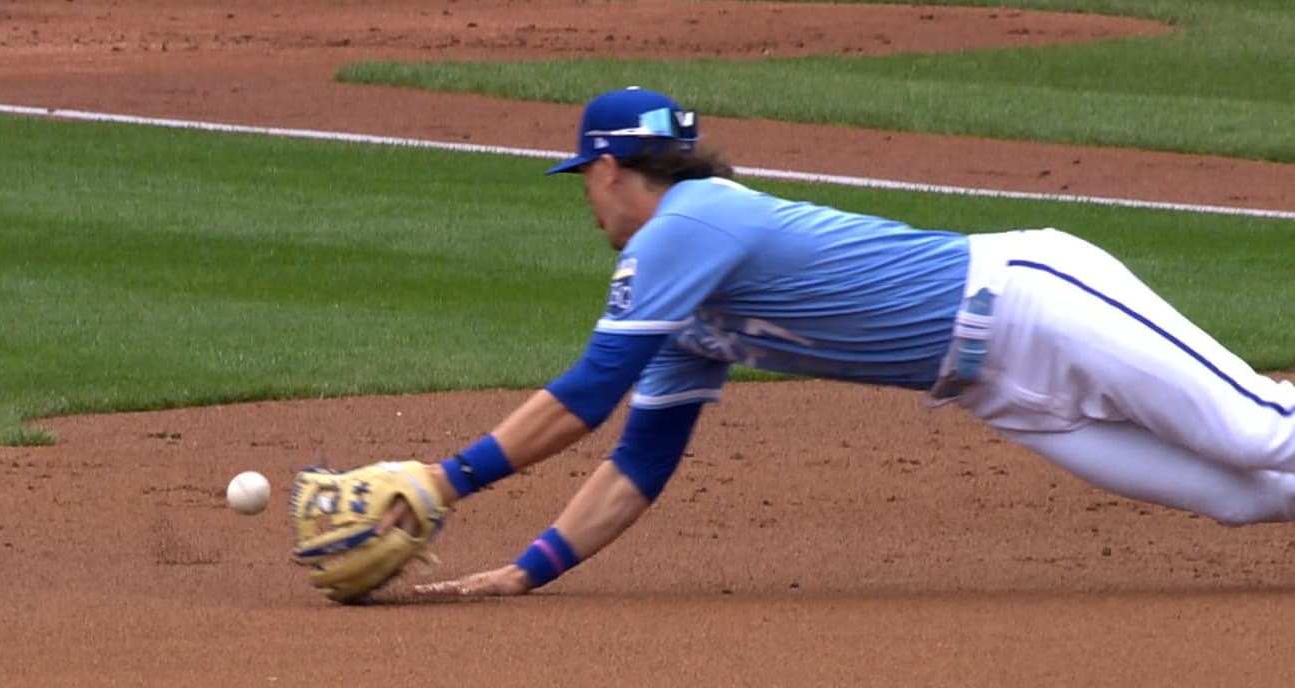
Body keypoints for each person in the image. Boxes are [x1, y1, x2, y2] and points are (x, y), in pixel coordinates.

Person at [395, 86, 1295, 598]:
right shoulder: (683, 304)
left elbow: (590, 390)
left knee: (1257, 430)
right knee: (1241, 497)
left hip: (1037, 303)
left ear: (606, 167)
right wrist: (526, 570)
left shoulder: (689, 224)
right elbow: (641, 459)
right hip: (1001, 394)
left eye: (583, 181)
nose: (586, 203)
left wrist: (446, 480)